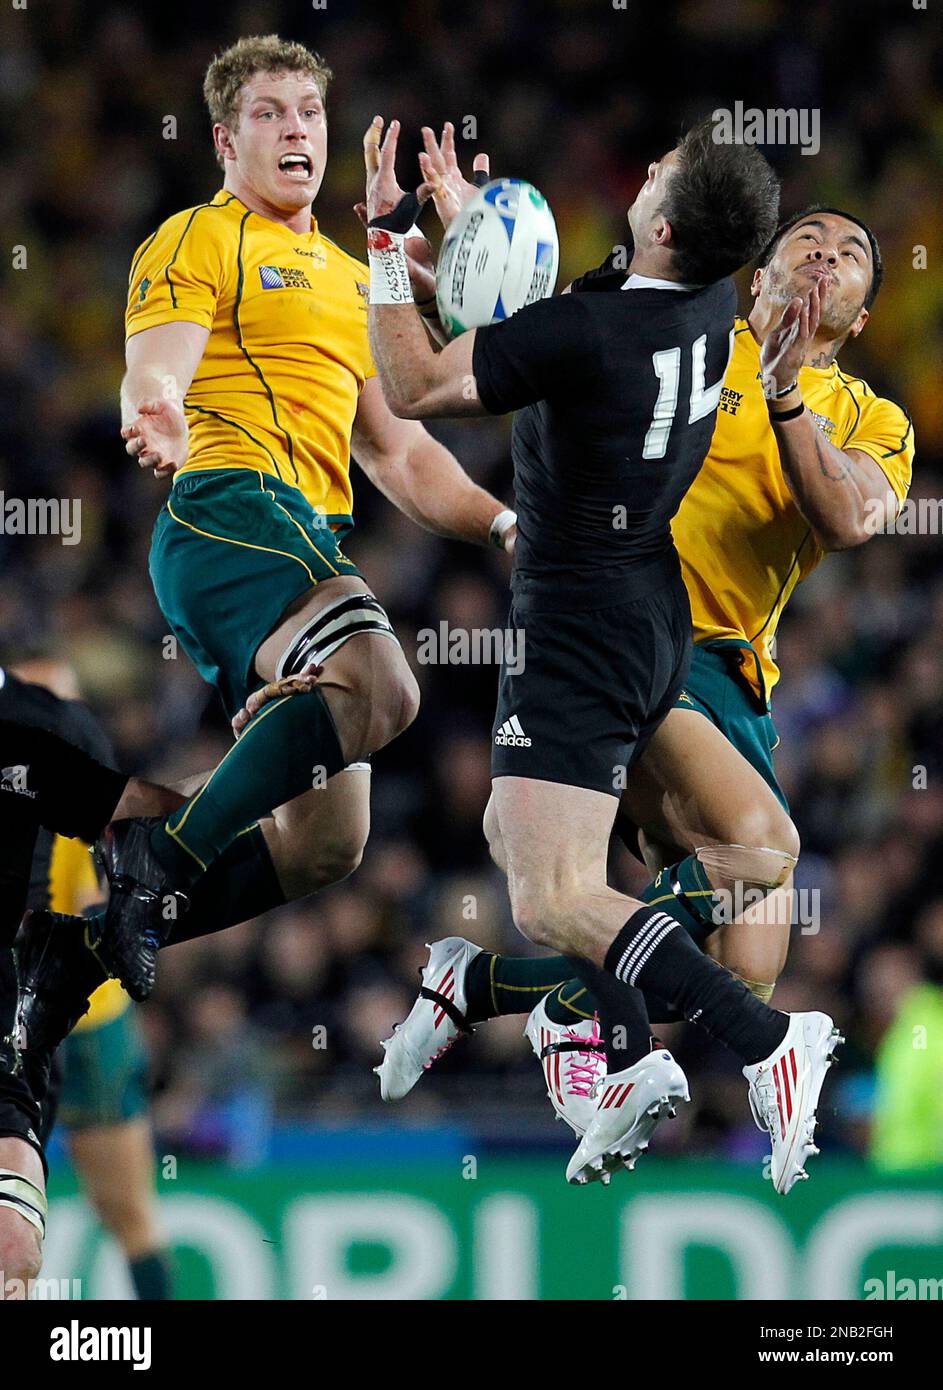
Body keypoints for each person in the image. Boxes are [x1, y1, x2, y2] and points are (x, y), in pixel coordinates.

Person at [364, 112, 842, 1191]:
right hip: (647, 614)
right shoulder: (700, 300)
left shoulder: (594, 335)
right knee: (520, 830)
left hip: (575, 628)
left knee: (553, 895)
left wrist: (384, 259)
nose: (648, 166)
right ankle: (612, 1054)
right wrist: (464, 230)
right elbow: (552, 324)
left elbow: (415, 386)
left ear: (663, 219)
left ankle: (764, 1040)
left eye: (660, 168)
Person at [29, 34, 516, 1019]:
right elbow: (156, 362)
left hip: (301, 539)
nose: (296, 128)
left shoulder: (349, 279)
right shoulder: (198, 238)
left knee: (323, 844)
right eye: (269, 112)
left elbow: (402, 455)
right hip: (229, 512)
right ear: (223, 139)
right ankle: (152, 854)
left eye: (309, 112)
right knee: (382, 681)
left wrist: (506, 524)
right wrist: (157, 402)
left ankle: (70, 954)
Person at [0, 667, 181, 1298]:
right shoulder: (92, 772)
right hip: (94, 1010)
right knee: (131, 1217)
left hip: (34, 1012)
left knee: (15, 1224)